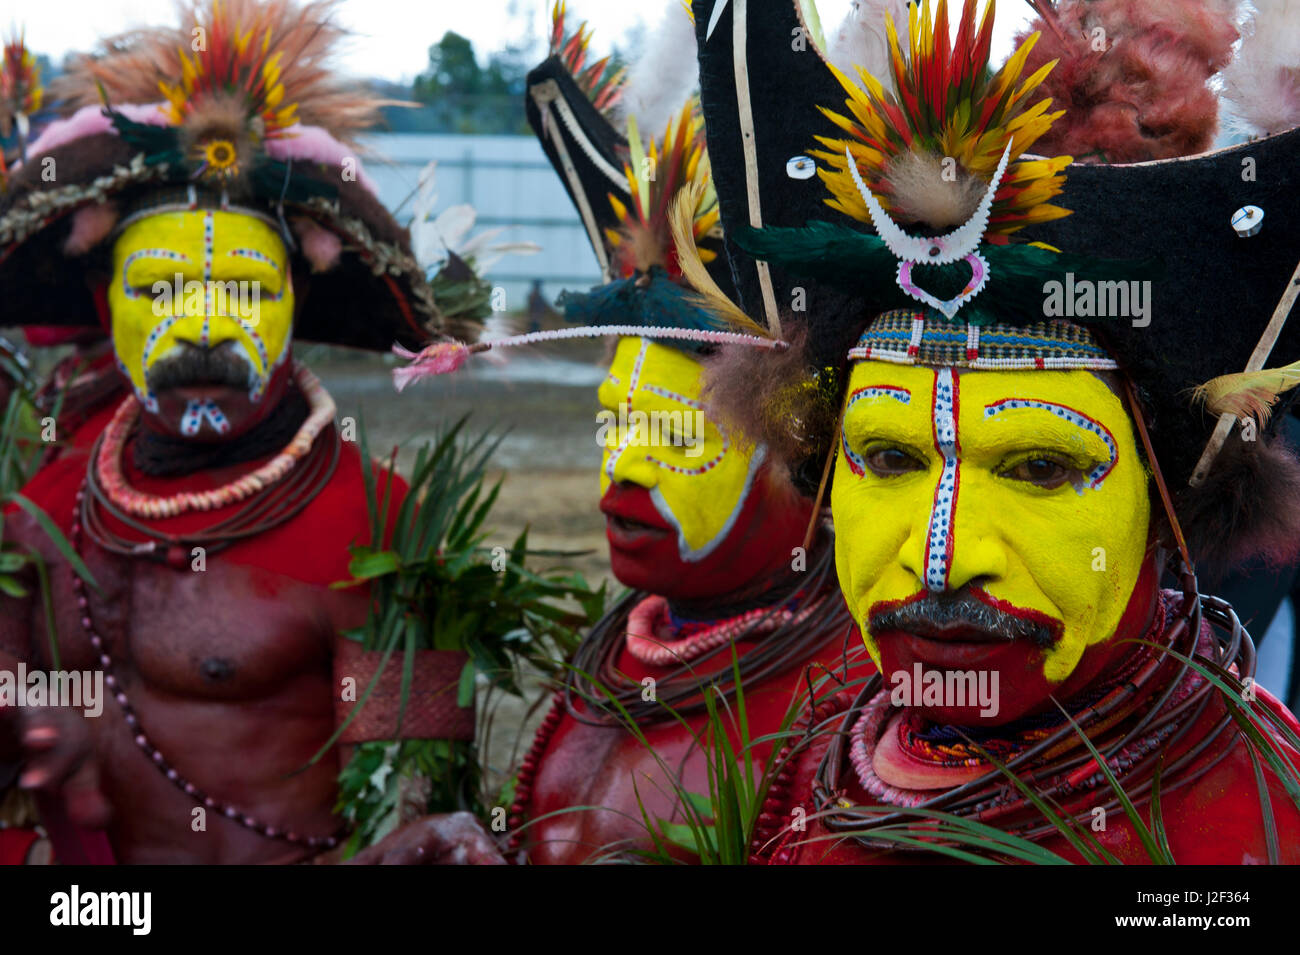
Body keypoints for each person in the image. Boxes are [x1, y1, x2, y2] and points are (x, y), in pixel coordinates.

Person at [690, 0, 1300, 863]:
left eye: (1043, 467)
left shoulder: (1258, 833)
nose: (943, 556)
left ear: (1172, 498)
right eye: (891, 457)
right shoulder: (790, 769)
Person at [0, 0, 471, 864]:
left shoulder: (380, 529)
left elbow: (412, 810)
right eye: (161, 291)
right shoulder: (37, 515)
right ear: (107, 306)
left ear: (299, 306)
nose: (204, 329)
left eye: (248, 292)